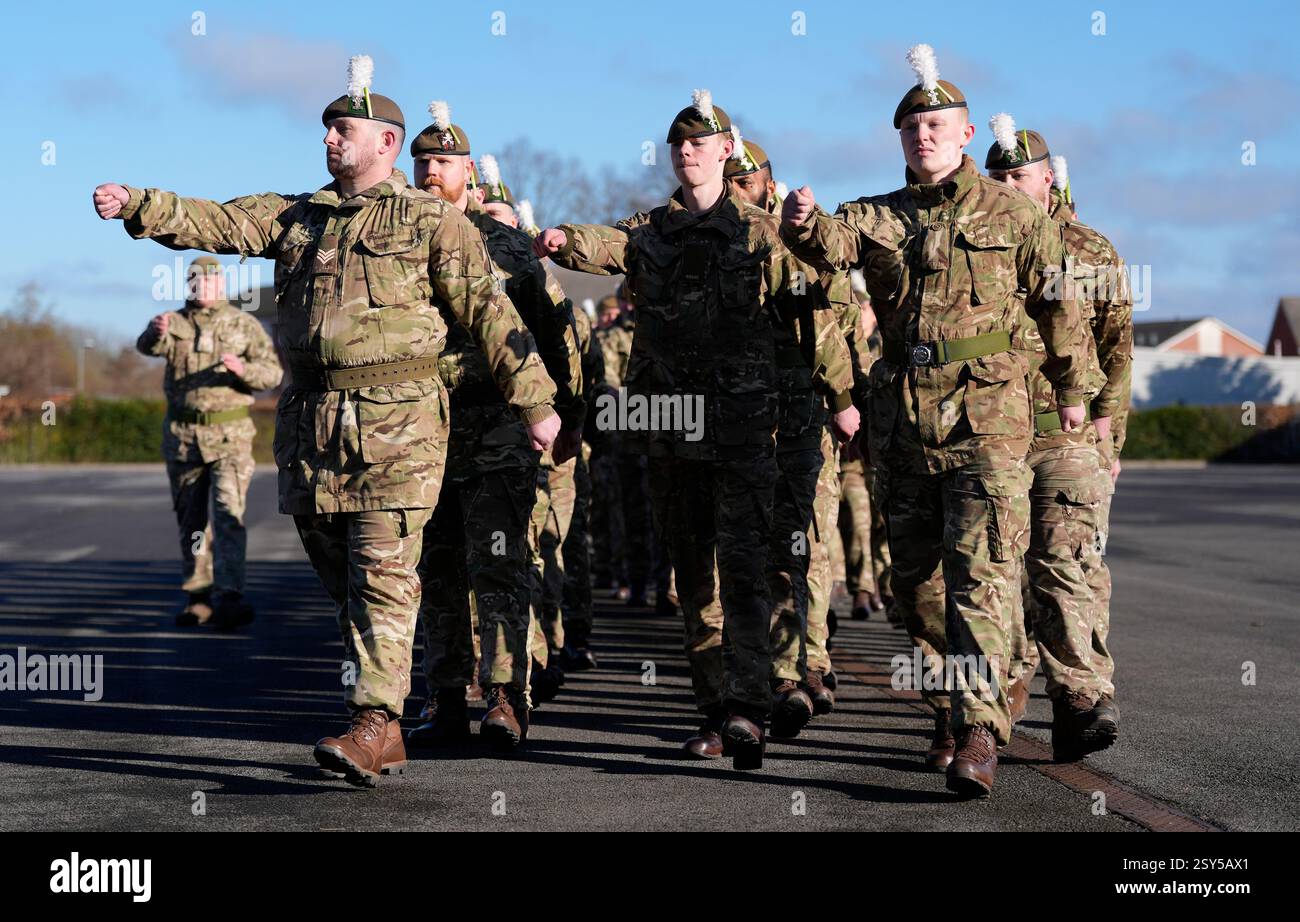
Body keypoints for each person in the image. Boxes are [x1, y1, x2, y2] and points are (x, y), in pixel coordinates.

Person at [94, 55, 559, 787]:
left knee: (382, 574)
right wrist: (142, 204)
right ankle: (390, 707)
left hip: (399, 423)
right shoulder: (298, 216)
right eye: (327, 130)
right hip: (312, 427)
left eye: (344, 129)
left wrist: (536, 403)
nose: (330, 140)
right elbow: (218, 220)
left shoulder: (433, 222)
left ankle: (377, 721)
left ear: (387, 143)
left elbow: (491, 314)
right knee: (346, 577)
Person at [779, 45, 1091, 796]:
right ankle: (948, 709)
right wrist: (802, 220)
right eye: (913, 125)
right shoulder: (879, 212)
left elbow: (1061, 301)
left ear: (965, 131)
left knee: (980, 575)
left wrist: (1077, 389)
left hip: (991, 416)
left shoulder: (1014, 212)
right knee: (914, 583)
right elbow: (832, 241)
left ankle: (982, 728)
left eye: (937, 123)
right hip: (905, 421)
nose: (924, 135)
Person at [135, 255, 282, 629]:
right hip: (184, 439)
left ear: (221, 284)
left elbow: (273, 373)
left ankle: (230, 594)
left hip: (230, 438)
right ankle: (198, 596)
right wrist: (155, 332)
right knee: (193, 521)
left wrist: (243, 370)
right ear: (189, 285)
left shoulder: (243, 324)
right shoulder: (173, 323)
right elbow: (147, 348)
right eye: (197, 282)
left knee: (228, 514)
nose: (204, 288)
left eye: (211, 281)